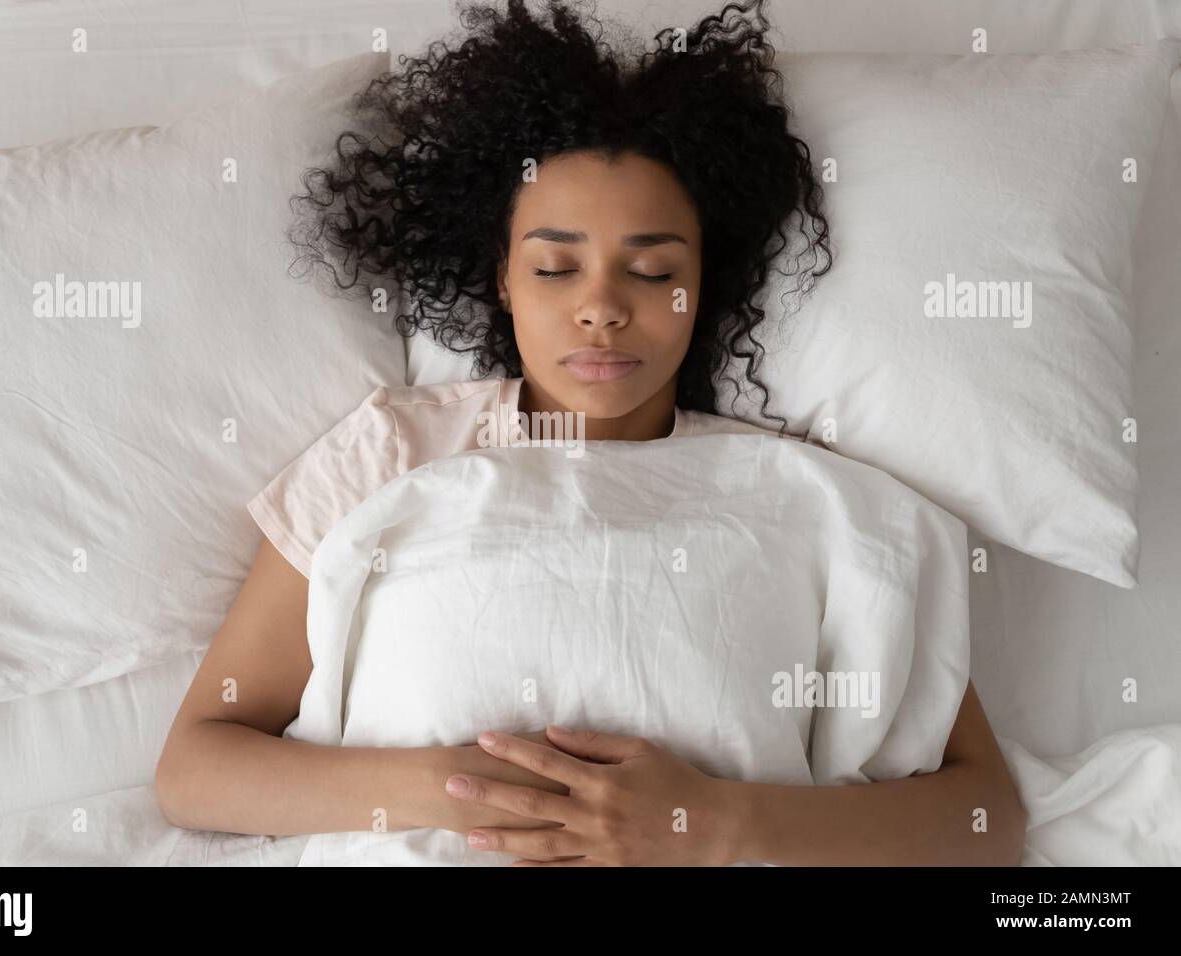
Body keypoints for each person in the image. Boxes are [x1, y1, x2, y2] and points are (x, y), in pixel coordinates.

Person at [155, 0, 1026, 866]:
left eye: (651, 270)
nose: (602, 308)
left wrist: (711, 823)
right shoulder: (389, 454)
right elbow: (197, 766)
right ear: (502, 278)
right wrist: (462, 789)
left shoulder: (804, 491)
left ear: (701, 285)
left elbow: (985, 812)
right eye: (554, 267)